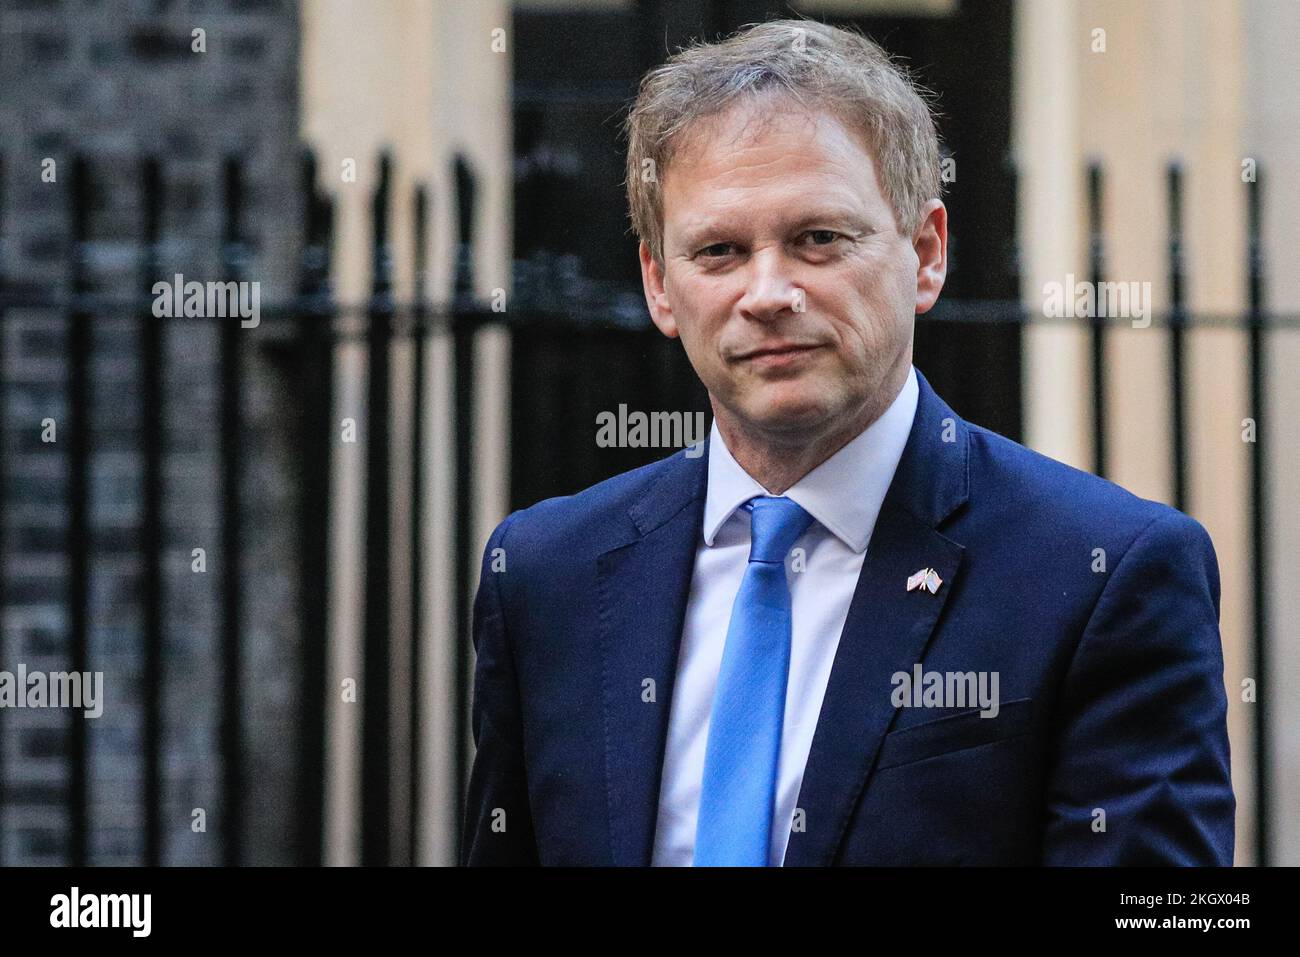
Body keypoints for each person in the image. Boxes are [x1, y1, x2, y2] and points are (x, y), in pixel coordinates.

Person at [460, 18, 1235, 866]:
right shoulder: (545, 576)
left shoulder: (1105, 574)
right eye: (718, 250)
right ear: (660, 285)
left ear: (927, 253)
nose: (768, 291)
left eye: (818, 238)